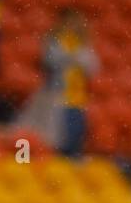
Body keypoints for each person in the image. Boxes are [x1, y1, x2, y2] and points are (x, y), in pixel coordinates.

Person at [41, 9, 98, 158]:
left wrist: (73, 57)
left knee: (75, 141)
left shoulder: (82, 43)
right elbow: (51, 61)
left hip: (78, 99)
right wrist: (73, 58)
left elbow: (93, 66)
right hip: (59, 98)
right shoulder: (55, 41)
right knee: (58, 142)